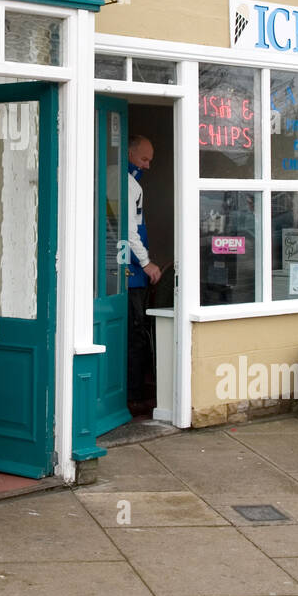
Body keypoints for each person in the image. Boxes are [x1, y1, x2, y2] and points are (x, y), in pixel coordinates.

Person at [127, 135, 161, 414]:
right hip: (131, 272)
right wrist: (147, 262)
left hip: (128, 269)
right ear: (129, 153)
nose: (148, 165)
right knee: (136, 332)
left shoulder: (130, 182)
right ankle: (134, 395)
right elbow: (129, 231)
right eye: (143, 159)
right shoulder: (127, 184)